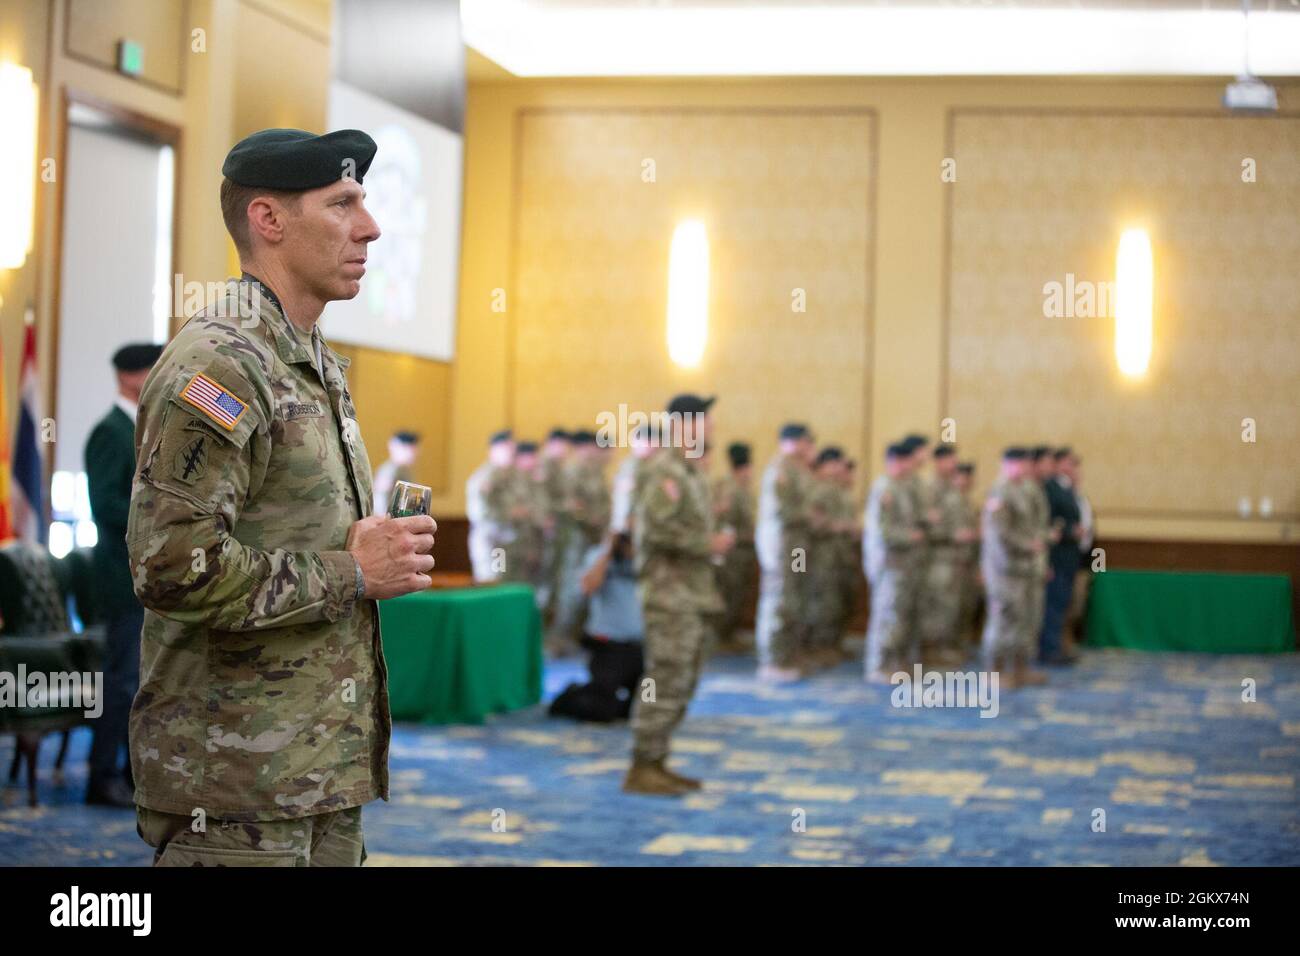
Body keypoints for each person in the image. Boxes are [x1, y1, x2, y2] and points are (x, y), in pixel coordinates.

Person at [128, 127, 437, 866]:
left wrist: (369, 554)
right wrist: (352, 572)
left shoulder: (312, 362)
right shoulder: (222, 364)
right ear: (269, 221)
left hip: (316, 772)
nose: (371, 226)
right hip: (233, 785)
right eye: (342, 204)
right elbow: (169, 565)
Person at [625, 394, 733, 796]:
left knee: (684, 680)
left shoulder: (691, 473)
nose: (712, 427)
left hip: (693, 593)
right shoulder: (664, 472)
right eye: (706, 420)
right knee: (667, 677)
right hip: (669, 595)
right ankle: (642, 765)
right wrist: (707, 544)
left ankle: (659, 760)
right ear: (685, 424)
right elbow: (653, 530)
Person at [83, 342, 162, 807]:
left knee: (142, 679)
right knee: (119, 681)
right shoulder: (109, 432)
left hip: (144, 576)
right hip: (118, 575)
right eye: (152, 369)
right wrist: (157, 513)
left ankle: (135, 775)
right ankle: (101, 776)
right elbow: (104, 506)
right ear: (130, 376)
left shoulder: (141, 427)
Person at [548, 531, 644, 723]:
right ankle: (570, 696)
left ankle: (622, 702)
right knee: (599, 711)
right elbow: (588, 586)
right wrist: (609, 551)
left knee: (648, 706)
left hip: (642, 648)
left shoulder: (647, 557)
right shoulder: (599, 556)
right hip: (610, 646)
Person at [980, 448, 1046, 688]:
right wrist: (1028, 545)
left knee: (1024, 619)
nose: (1025, 468)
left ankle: (1019, 667)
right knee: (1003, 619)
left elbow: (1035, 524)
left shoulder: (1026, 489)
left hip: (1024, 567)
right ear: (1007, 465)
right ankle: (993, 670)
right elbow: (999, 534)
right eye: (1020, 464)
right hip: (1003, 569)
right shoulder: (1000, 492)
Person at [754, 423, 815, 682]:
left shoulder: (798, 469)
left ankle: (788, 654)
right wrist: (810, 516)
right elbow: (781, 509)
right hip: (782, 544)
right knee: (779, 600)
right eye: (803, 441)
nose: (807, 446)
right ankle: (773, 659)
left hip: (797, 544)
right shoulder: (780, 470)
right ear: (790, 442)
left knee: (794, 598)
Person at [863, 442, 924, 682]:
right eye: (908, 461)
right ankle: (879, 665)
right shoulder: (884, 489)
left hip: (902, 562)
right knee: (887, 615)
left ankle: (895, 662)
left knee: (899, 615)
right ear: (898, 461)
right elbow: (882, 531)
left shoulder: (902, 488)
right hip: (888, 562)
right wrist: (909, 536)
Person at [916, 444, 976, 666]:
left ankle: (943, 647)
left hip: (953, 559)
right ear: (939, 461)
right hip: (935, 559)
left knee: (949, 606)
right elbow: (926, 525)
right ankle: (929, 651)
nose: (954, 465)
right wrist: (953, 535)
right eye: (951, 460)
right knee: (935, 605)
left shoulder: (951, 489)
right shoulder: (930, 489)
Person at [806, 446, 853, 667]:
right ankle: (816, 646)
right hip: (819, 556)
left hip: (835, 555)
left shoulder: (834, 489)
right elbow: (813, 524)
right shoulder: (817, 489)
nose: (839, 469)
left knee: (832, 603)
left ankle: (828, 644)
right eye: (836, 463)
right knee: (819, 602)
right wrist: (838, 526)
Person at [711, 441, 756, 652]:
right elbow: (725, 522)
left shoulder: (742, 488)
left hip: (743, 551)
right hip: (731, 553)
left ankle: (729, 636)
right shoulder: (729, 487)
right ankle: (721, 637)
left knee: (737, 596)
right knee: (728, 595)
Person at [1041, 447, 1083, 665]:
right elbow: (1048, 524)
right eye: (1069, 462)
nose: (1073, 467)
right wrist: (1069, 531)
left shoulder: (1068, 489)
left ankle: (1055, 647)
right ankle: (1049, 650)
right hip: (1056, 557)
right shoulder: (1051, 487)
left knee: (1061, 604)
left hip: (1068, 558)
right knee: (1053, 605)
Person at [466, 430, 517, 583]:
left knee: (503, 584)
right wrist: (510, 513)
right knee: (491, 584)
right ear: (494, 450)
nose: (511, 453)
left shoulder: (506, 475)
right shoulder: (485, 476)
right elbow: (480, 512)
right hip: (490, 539)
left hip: (502, 538)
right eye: (506, 448)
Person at [505, 440, 549, 592]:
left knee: (526, 588)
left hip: (531, 543)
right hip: (511, 545)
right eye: (532, 457)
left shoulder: (533, 481)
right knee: (506, 587)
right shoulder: (510, 480)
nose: (535, 461)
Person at [953, 461, 982, 649]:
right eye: (964, 476)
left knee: (965, 605)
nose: (967, 481)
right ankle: (944, 647)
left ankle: (957, 644)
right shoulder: (950, 500)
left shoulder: (968, 502)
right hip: (953, 561)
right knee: (949, 608)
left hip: (968, 560)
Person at [372, 430, 419, 515]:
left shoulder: (404, 470)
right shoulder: (390, 470)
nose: (415, 453)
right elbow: (381, 500)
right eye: (411, 448)